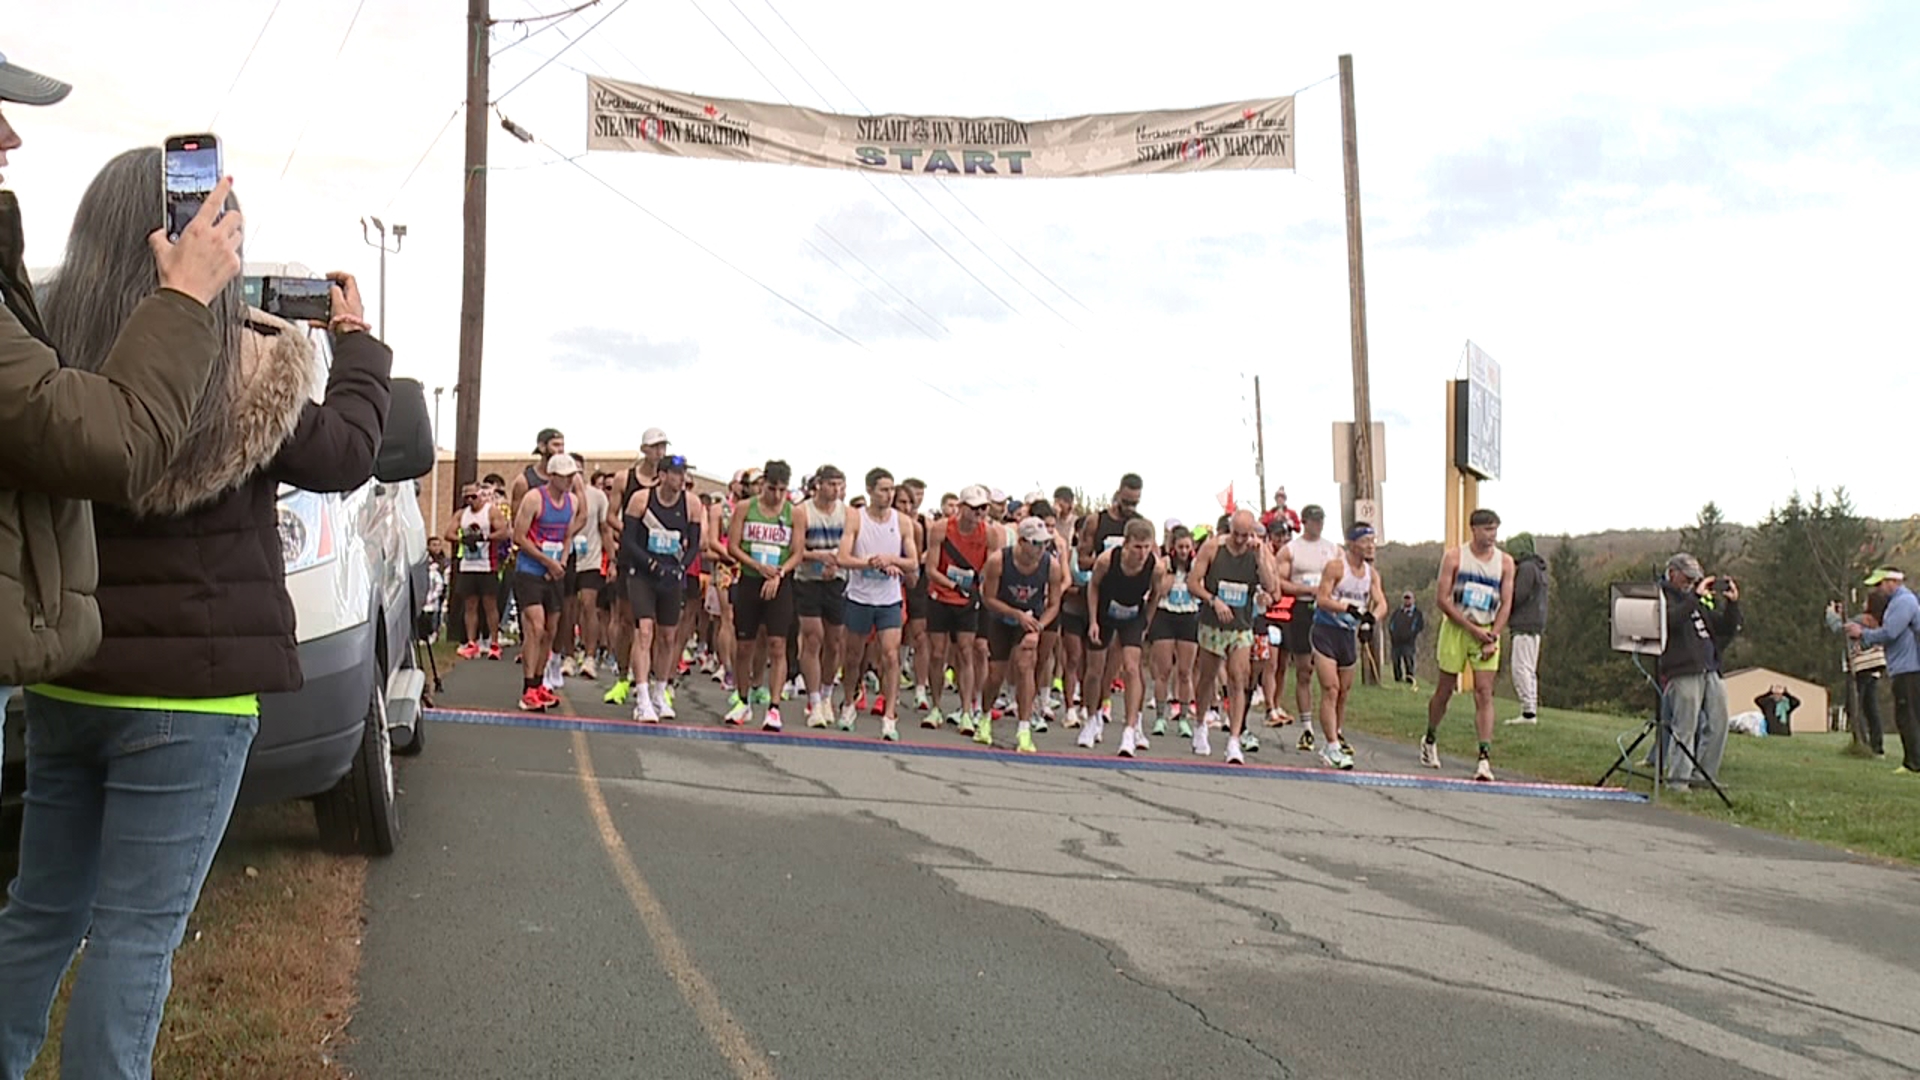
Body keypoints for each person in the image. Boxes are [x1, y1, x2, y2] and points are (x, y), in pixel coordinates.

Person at [0, 143, 389, 1080]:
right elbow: (345, 456)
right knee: (136, 935)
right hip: (194, 698)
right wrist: (356, 348)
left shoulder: (50, 347)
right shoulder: (247, 360)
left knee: (41, 913)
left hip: (71, 672)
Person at [2, 67, 245, 696]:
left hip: (64, 685)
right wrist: (186, 297)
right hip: (195, 686)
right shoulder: (250, 361)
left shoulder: (46, 326)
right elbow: (118, 445)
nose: (10, 137)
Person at [1422, 508, 1516, 782]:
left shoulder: (1505, 562)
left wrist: (1493, 635)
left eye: (1495, 529)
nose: (1492, 535)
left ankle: (1484, 758)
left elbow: (1506, 602)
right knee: (1445, 689)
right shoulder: (1455, 557)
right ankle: (1430, 737)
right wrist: (1471, 628)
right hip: (1458, 628)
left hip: (1487, 631)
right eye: (1487, 529)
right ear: (1474, 529)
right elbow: (1442, 599)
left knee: (1484, 692)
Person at [1187, 510, 1283, 765]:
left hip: (1241, 625)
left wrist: (1260, 558)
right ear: (1230, 530)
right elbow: (1193, 582)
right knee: (1208, 676)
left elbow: (1272, 587)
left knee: (1238, 678)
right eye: (1236, 534)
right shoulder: (1213, 548)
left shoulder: (1259, 551)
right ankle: (1201, 724)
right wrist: (1213, 600)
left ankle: (1234, 739)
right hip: (1213, 623)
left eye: (1245, 535)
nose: (1240, 540)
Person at [835, 468, 919, 740]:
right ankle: (849, 702)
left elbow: (912, 562)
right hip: (860, 596)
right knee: (853, 655)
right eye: (883, 489)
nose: (889, 494)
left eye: (891, 489)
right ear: (870, 490)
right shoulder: (856, 517)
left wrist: (891, 560)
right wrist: (870, 563)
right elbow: (843, 558)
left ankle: (890, 715)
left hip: (889, 599)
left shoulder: (902, 522)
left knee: (891, 655)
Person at [619, 455, 700, 723]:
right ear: (662, 475)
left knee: (668, 636)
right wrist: (650, 564)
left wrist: (681, 568)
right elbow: (628, 540)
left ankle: (660, 691)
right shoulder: (641, 500)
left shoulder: (691, 504)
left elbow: (695, 544)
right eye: (676, 473)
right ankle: (642, 696)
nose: (681, 479)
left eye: (683, 473)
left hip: (671, 575)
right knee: (644, 631)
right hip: (643, 574)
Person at [1652, 552, 1741, 788]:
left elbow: (1724, 627)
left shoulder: (1694, 601)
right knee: (1686, 726)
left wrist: (1732, 604)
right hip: (1682, 669)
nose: (1691, 582)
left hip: (1709, 668)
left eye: (1694, 578)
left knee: (1719, 722)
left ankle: (1703, 776)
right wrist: (1694, 597)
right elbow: (1670, 621)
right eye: (1687, 576)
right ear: (1672, 573)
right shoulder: (1661, 596)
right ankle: (1678, 780)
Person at [981, 516, 1067, 754]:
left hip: (1030, 619)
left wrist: (1038, 626)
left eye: (1045, 543)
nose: (1041, 549)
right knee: (996, 675)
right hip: (1002, 617)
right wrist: (1015, 614)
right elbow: (988, 598)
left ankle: (1024, 727)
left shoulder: (1051, 565)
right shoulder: (999, 561)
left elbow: (1054, 604)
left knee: (1026, 665)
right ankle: (984, 715)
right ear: (1021, 542)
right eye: (1036, 543)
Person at [727, 460, 802, 730]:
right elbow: (733, 546)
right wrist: (757, 566)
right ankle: (742, 699)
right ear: (763, 485)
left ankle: (774, 707)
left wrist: (779, 572)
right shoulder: (746, 508)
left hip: (779, 583)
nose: (777, 495)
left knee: (777, 644)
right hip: (750, 579)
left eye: (782, 490)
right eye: (772, 489)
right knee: (744, 645)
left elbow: (797, 552)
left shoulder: (794, 513)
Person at [1309, 524, 1388, 770]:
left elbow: (1382, 603)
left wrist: (1371, 620)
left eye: (1373, 540)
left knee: (1343, 692)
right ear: (1352, 544)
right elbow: (1322, 598)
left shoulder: (1371, 574)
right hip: (1325, 631)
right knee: (1330, 689)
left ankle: (1335, 736)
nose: (1370, 546)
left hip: (1347, 636)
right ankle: (1332, 745)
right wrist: (1347, 608)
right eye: (1365, 541)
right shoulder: (1336, 567)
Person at [1082, 517, 1162, 757]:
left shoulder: (1155, 567)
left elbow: (1156, 595)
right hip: (1105, 612)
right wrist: (1093, 620)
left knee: (1131, 668)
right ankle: (1091, 718)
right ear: (1126, 544)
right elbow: (1093, 586)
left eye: (1147, 547)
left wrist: (1146, 623)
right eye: (1137, 547)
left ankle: (1130, 728)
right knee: (1095, 670)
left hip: (1133, 615)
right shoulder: (1107, 560)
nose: (1142, 553)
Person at [511, 454, 585, 711]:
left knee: (551, 630)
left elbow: (567, 535)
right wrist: (546, 561)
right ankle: (528, 687)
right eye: (564, 477)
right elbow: (519, 536)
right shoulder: (534, 499)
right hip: (530, 570)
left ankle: (539, 681)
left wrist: (561, 563)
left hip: (554, 572)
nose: (568, 481)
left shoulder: (572, 502)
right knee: (536, 626)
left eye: (571, 476)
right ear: (552, 476)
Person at [924, 485, 999, 734]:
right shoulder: (941, 528)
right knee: (938, 653)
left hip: (968, 599)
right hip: (941, 595)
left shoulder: (989, 533)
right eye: (974, 508)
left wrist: (979, 588)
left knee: (966, 652)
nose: (979, 513)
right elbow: (931, 568)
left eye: (983, 508)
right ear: (962, 507)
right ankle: (935, 706)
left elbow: (990, 567)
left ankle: (967, 710)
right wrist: (954, 585)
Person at [1275, 505, 1338, 753]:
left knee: (1330, 673)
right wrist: (1307, 590)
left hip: (1327, 610)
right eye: (1314, 520)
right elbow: (1280, 582)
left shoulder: (1332, 549)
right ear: (1304, 522)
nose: (1318, 524)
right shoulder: (1292, 549)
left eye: (1321, 520)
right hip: (1302, 608)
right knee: (1304, 670)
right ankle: (1307, 727)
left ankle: (1335, 729)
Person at [791, 464, 849, 729]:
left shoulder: (847, 513)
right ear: (819, 485)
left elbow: (850, 547)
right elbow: (796, 550)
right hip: (808, 580)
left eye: (840, 485)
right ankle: (814, 701)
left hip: (837, 580)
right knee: (813, 637)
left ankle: (826, 694)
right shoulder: (802, 511)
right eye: (831, 484)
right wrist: (820, 557)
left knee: (834, 642)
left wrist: (836, 562)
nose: (836, 490)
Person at [1848, 568, 1918, 775]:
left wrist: (1863, 634)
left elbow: (1890, 632)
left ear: (1892, 582)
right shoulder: (1899, 602)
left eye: (1879, 584)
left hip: (1909, 668)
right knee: (1908, 715)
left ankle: (1914, 764)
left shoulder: (1903, 602)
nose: (1877, 590)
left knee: (1908, 716)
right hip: (1904, 667)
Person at [1149, 525, 1202, 741]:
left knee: (1185, 672)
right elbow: (1159, 591)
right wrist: (1169, 575)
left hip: (1188, 616)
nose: (1184, 551)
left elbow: (1200, 588)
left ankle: (1183, 717)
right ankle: (1160, 716)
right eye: (1180, 547)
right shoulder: (1164, 564)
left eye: (1187, 547)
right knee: (1163, 670)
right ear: (1173, 547)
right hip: (1165, 616)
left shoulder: (1196, 565)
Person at [448, 482, 510, 660]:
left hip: (487, 565)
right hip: (468, 565)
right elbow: (448, 533)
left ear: (480, 495)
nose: (470, 500)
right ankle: (471, 642)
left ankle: (494, 642)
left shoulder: (491, 512)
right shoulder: (462, 514)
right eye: (466, 497)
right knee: (470, 605)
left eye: (473, 496)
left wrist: (485, 537)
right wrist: (462, 539)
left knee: (490, 605)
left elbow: (504, 532)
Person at [1505, 533, 1548, 724]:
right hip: (1535, 623)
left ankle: (1528, 712)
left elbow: (1517, 595)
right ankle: (1530, 709)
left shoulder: (1526, 568)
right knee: (1529, 669)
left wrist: (1503, 605)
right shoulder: (1538, 568)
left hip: (1524, 624)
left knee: (1520, 667)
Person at [1387, 590, 1425, 686]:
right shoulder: (1397, 612)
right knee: (1396, 661)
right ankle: (1398, 680)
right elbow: (1391, 624)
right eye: (1405, 598)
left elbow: (1419, 626)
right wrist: (1392, 634)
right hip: (1396, 642)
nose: (1407, 601)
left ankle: (1410, 679)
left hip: (1409, 643)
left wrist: (1411, 634)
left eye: (1409, 598)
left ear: (1413, 600)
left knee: (1408, 660)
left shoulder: (1417, 613)